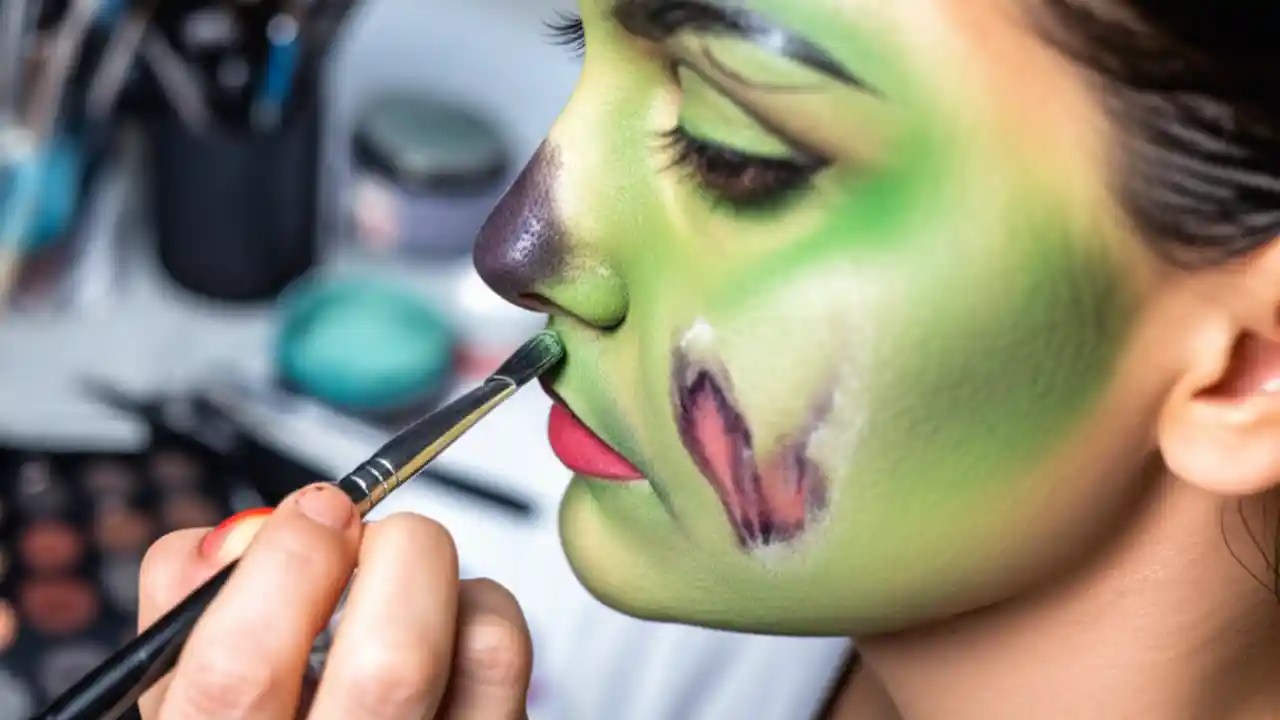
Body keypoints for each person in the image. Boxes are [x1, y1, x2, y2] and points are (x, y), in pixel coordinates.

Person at [138, 0, 1280, 717]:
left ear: (1248, 369)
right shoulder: (644, 636)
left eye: (732, 147)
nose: (516, 246)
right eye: (576, 46)